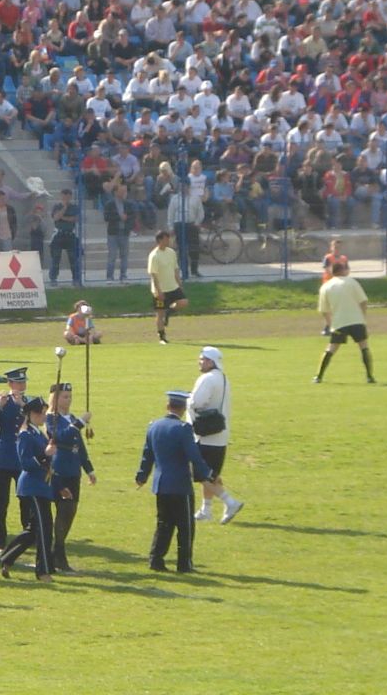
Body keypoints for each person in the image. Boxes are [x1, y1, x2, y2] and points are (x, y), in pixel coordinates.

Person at [135, 390, 214, 573]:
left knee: (164, 523)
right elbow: (193, 455)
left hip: (161, 484)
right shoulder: (183, 429)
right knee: (185, 526)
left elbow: (147, 455)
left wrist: (142, 476)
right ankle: (184, 563)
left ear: (168, 406)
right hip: (180, 485)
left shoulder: (154, 426)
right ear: (183, 407)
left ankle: (156, 559)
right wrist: (207, 473)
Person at [0, 397, 57, 581]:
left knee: (33, 529)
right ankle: (43, 571)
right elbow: (25, 463)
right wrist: (44, 454)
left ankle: (7, 558)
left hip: (42, 486)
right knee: (44, 528)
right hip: (32, 486)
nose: (42, 416)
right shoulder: (25, 435)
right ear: (30, 415)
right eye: (39, 413)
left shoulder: (40, 434)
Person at [188, 347, 244, 525]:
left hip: (205, 435)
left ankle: (229, 501)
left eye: (202, 359)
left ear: (210, 361)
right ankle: (206, 509)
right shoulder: (223, 378)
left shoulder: (207, 379)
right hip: (220, 434)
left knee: (200, 474)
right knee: (211, 475)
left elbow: (197, 402)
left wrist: (187, 400)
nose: (200, 362)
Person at [46, 383, 96, 573]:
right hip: (59, 469)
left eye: (69, 396)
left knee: (71, 511)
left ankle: (56, 551)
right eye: (65, 396)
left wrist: (89, 469)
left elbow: (79, 446)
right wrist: (79, 424)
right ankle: (58, 554)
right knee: (64, 510)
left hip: (73, 470)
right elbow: (59, 437)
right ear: (56, 399)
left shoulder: (71, 418)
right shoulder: (52, 418)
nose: (68, 400)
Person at [0, 367, 30, 552]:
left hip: (23, 458)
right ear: (10, 384)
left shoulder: (29, 403)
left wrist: (23, 406)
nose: (21, 386)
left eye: (23, 382)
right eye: (18, 383)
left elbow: (38, 421)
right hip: (5, 457)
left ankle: (28, 535)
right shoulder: (1, 402)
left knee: (25, 499)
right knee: (1, 501)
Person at [314, 264, 375, 384]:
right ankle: (369, 376)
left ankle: (318, 376)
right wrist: (363, 317)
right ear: (343, 270)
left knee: (332, 347)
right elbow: (363, 301)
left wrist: (330, 324)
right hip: (356, 320)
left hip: (339, 322)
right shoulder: (352, 282)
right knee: (363, 346)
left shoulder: (326, 287)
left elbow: (324, 310)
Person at [147, 230, 188, 345]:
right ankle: (161, 336)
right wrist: (158, 291)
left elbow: (175, 269)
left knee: (183, 302)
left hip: (173, 287)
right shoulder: (154, 255)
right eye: (166, 239)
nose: (169, 241)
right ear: (160, 240)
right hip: (161, 290)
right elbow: (153, 274)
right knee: (159, 313)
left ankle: (169, 312)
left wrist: (179, 284)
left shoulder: (171, 252)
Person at [49, 189, 81, 287]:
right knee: (56, 257)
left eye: (68, 196)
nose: (66, 198)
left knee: (73, 258)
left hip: (70, 234)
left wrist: (63, 217)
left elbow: (75, 219)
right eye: (64, 196)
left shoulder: (74, 207)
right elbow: (56, 217)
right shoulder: (57, 206)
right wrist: (64, 208)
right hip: (59, 234)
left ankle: (75, 278)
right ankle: (53, 278)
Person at [103, 183, 131, 282]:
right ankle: (109, 276)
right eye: (121, 191)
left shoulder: (128, 204)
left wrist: (128, 224)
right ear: (115, 192)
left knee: (124, 255)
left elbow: (132, 217)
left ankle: (123, 275)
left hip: (124, 232)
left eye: (125, 191)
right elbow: (106, 217)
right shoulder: (109, 204)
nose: (123, 193)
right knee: (112, 255)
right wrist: (119, 217)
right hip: (113, 233)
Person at [320, 239, 349, 335]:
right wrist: (337, 275)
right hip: (328, 285)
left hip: (339, 286)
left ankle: (333, 326)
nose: (337, 249)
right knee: (325, 308)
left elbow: (347, 270)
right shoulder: (328, 257)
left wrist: (342, 277)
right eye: (335, 247)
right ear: (331, 247)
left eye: (338, 247)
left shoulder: (344, 258)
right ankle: (329, 325)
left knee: (337, 307)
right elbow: (327, 269)